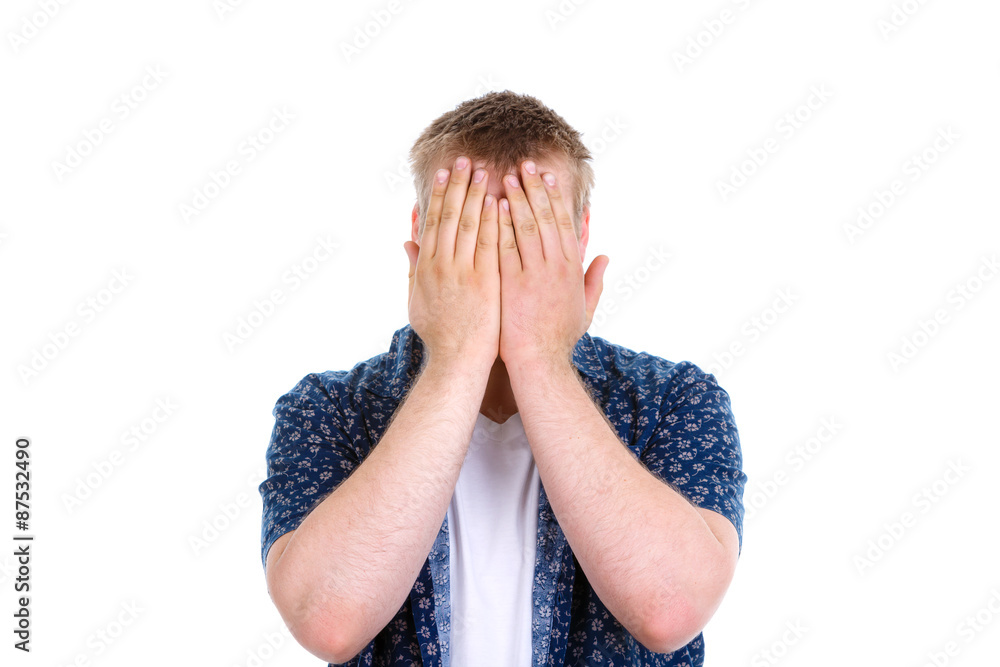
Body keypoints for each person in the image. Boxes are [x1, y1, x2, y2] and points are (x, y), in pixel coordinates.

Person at [258, 90, 747, 667]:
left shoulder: (676, 399)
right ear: (421, 238)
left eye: (528, 232)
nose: (497, 256)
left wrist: (539, 354)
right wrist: (455, 354)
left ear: (579, 237)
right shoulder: (326, 408)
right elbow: (329, 621)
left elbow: (669, 611)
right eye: (467, 230)